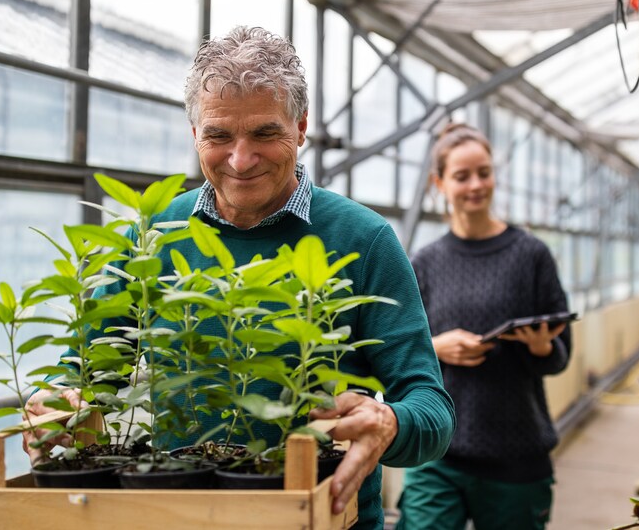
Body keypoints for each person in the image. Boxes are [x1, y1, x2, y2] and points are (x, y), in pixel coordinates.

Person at [23, 26, 455, 528]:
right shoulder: (154, 235)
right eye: (219, 135)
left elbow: (433, 412)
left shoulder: (363, 238)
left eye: (266, 134)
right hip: (179, 513)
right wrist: (58, 400)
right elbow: (86, 372)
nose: (241, 159)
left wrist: (391, 421)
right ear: (195, 136)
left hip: (323, 516)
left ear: (301, 128)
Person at [398, 123, 571, 530]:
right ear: (439, 183)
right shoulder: (423, 262)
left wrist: (542, 347)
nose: (476, 184)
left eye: (484, 172)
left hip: (515, 452)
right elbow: (400, 349)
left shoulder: (531, 255)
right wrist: (438, 347)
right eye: (462, 176)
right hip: (436, 450)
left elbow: (562, 357)